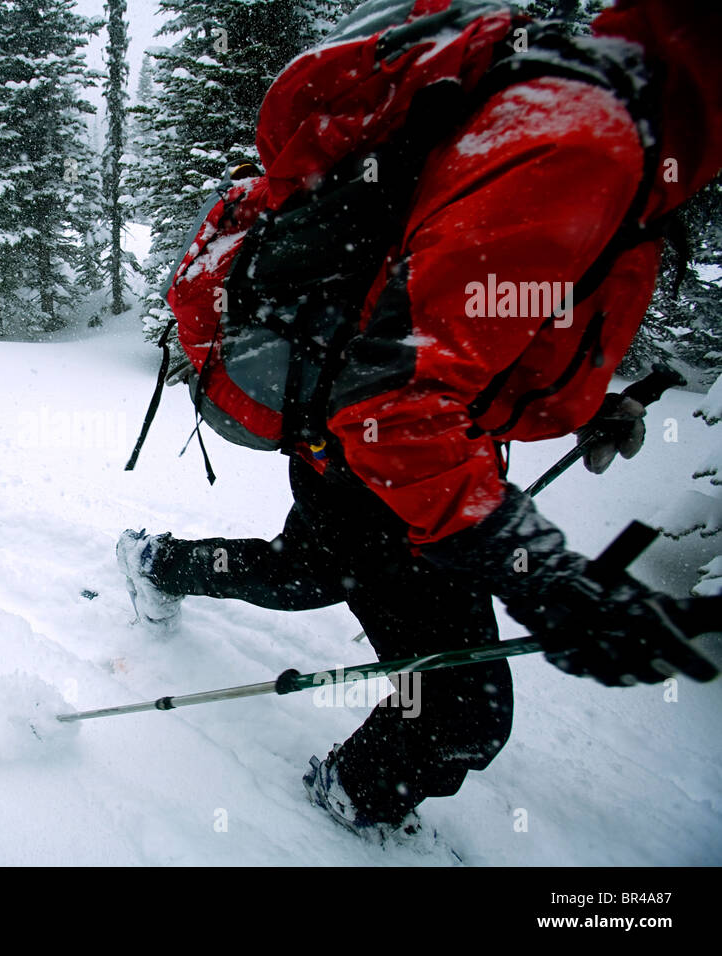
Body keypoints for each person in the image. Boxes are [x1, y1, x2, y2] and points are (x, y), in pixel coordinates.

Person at [117, 0, 722, 843]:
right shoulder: (586, 140)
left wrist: (591, 404)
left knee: (308, 572)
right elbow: (396, 398)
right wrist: (543, 576)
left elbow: (486, 332)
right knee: (458, 712)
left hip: (373, 452)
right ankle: (344, 797)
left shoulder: (615, 129)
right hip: (376, 455)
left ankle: (157, 562)